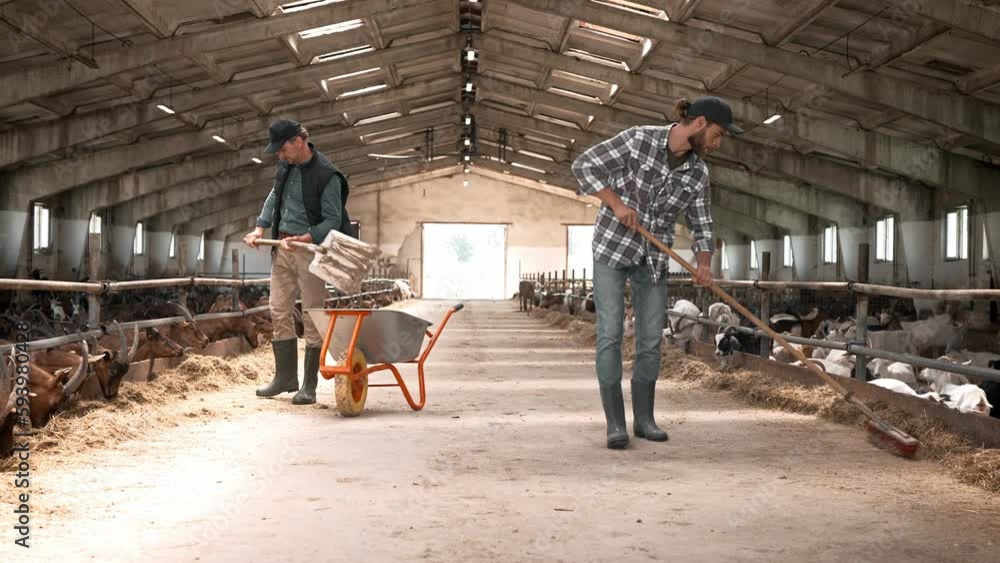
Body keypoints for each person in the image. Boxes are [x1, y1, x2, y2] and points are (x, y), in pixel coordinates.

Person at [570, 96, 743, 449]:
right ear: (699, 124)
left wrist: (705, 262)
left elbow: (702, 222)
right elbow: (584, 166)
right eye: (717, 133)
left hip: (653, 258)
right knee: (610, 333)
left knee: (651, 339)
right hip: (612, 249)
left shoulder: (698, 173)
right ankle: (615, 423)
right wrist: (617, 204)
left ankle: (644, 419)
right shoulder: (638, 140)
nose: (718, 143)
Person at [244, 119, 351, 405]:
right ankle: (285, 378)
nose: (279, 154)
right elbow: (274, 196)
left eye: (282, 149)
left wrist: (307, 236)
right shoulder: (284, 167)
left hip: (311, 251)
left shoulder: (327, 175)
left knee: (313, 315)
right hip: (281, 247)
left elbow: (334, 218)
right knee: (278, 309)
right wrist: (259, 227)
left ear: (298, 141)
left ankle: (309, 385)